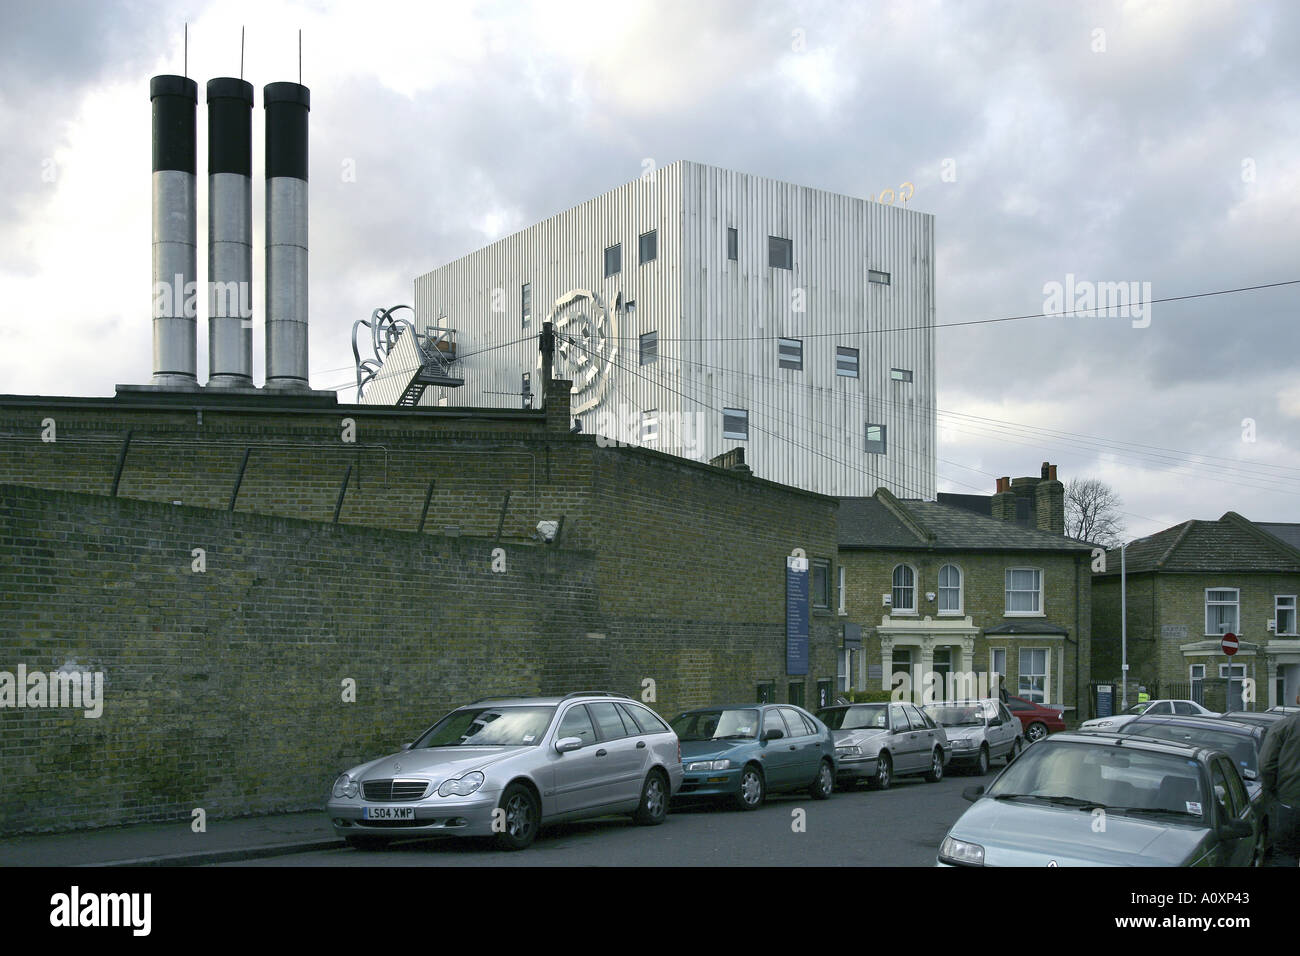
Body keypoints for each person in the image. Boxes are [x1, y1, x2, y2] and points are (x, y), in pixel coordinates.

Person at [1260, 692, 1300, 866]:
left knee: (1285, 854)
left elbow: (1265, 765)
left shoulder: (1283, 727)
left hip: (1290, 803)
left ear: (1298, 698)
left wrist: (1273, 793)